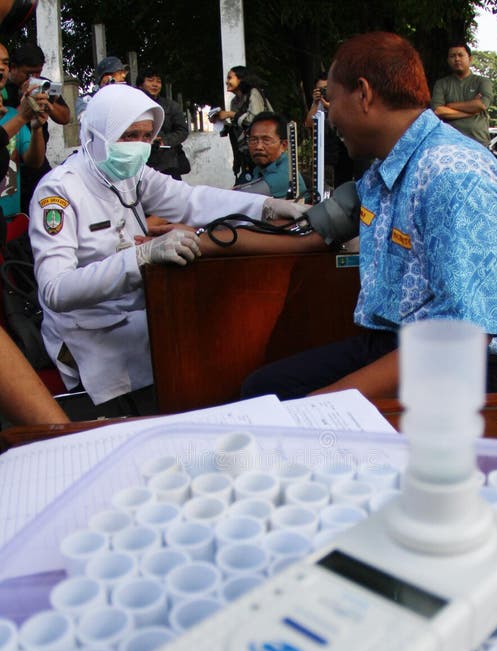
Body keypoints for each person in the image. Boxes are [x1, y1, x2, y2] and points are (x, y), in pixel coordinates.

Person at [240, 31, 497, 402]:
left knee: (297, 413)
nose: (329, 117)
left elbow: (465, 334)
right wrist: (203, 240)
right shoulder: (390, 166)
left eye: (332, 100)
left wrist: (327, 404)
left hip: (463, 369)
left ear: (363, 93)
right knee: (263, 391)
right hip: (401, 343)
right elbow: (316, 230)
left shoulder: (453, 175)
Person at [29, 84, 304, 417]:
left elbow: (192, 200)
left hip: (144, 322)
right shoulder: (58, 191)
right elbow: (55, 290)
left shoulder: (129, 174)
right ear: (95, 135)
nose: (139, 147)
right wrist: (140, 258)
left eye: (147, 137)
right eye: (129, 135)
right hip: (91, 341)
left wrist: (268, 208)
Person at [4, 42, 70, 212]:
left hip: (36, 156)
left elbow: (65, 117)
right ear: (13, 68)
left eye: (38, 72)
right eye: (28, 73)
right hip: (10, 163)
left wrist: (47, 104)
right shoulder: (4, 88)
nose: (33, 77)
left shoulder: (43, 85)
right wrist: (24, 105)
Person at [0, 41, 46, 219]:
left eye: (5, 62)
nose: (2, 68)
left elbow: (34, 161)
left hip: (11, 223)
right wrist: (22, 117)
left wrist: (36, 129)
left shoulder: (11, 114)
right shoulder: (17, 117)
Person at [209, 66, 272, 181]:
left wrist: (229, 114)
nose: (227, 81)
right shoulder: (235, 101)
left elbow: (255, 120)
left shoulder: (254, 93)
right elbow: (240, 126)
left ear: (241, 79)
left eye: (230, 78)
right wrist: (221, 120)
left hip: (262, 151)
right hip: (247, 154)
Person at [431, 43, 493, 146]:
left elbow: (481, 105)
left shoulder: (482, 82)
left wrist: (450, 105)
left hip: (478, 142)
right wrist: (471, 111)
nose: (457, 59)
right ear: (448, 60)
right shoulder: (442, 84)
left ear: (470, 58)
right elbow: (438, 111)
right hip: (449, 142)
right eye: (452, 56)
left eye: (460, 55)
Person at [136, 68, 190, 180]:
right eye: (150, 80)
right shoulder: (132, 105)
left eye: (158, 81)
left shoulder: (171, 106)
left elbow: (183, 131)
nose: (155, 84)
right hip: (140, 162)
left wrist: (165, 140)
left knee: (173, 195)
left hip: (167, 162)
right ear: (140, 84)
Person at [237, 111, 306, 198]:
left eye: (266, 140)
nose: (258, 147)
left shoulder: (285, 174)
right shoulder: (259, 168)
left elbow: (237, 198)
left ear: (283, 145)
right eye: (253, 139)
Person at [75, 55, 128, 122]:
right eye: (119, 73)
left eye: (124, 73)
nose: (124, 76)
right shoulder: (85, 99)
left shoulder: (127, 95)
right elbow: (86, 121)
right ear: (106, 77)